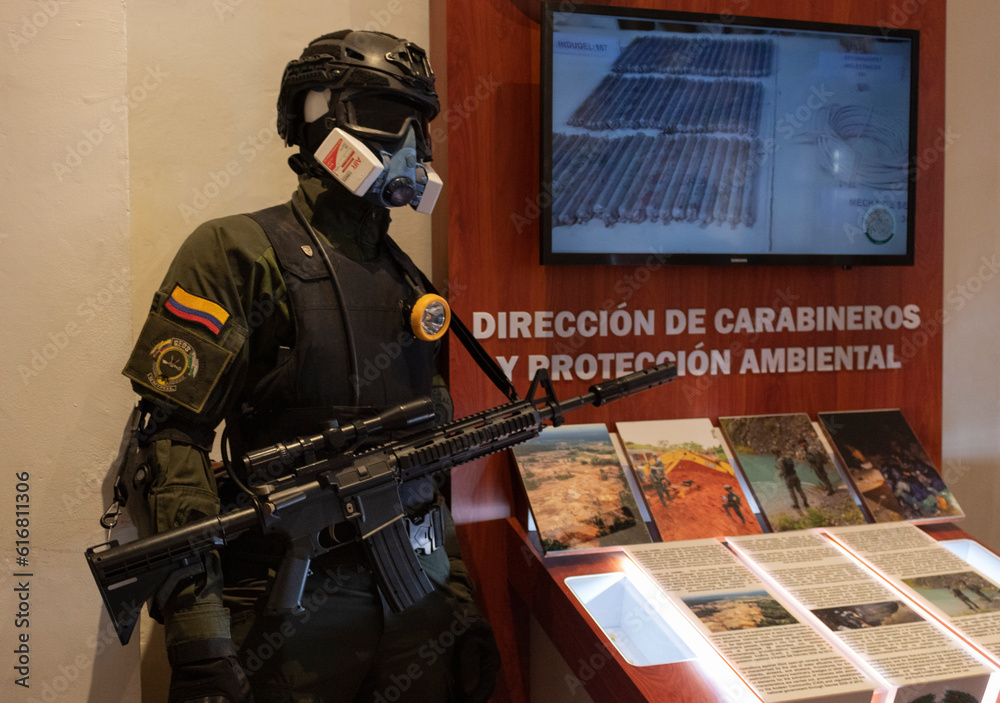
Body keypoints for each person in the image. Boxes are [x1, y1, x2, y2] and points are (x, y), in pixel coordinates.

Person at [118, 30, 498, 703]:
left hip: (415, 612)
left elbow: (426, 466)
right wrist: (201, 636)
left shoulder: (410, 283)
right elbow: (168, 446)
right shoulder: (238, 252)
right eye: (386, 116)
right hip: (286, 623)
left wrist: (457, 601)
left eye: (420, 124)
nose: (409, 142)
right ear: (319, 115)